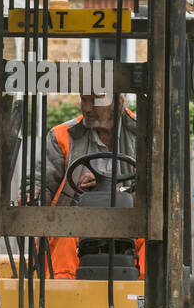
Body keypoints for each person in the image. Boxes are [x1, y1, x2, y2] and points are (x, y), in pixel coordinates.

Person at [43, 92, 144, 278]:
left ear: (119, 103)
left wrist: (122, 194)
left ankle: (145, 292)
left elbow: (158, 192)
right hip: (78, 224)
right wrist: (34, 193)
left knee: (153, 237)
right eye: (84, 100)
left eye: (95, 101)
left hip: (130, 227)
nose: (86, 108)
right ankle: (61, 289)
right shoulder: (61, 136)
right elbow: (41, 184)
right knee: (63, 232)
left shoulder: (146, 135)